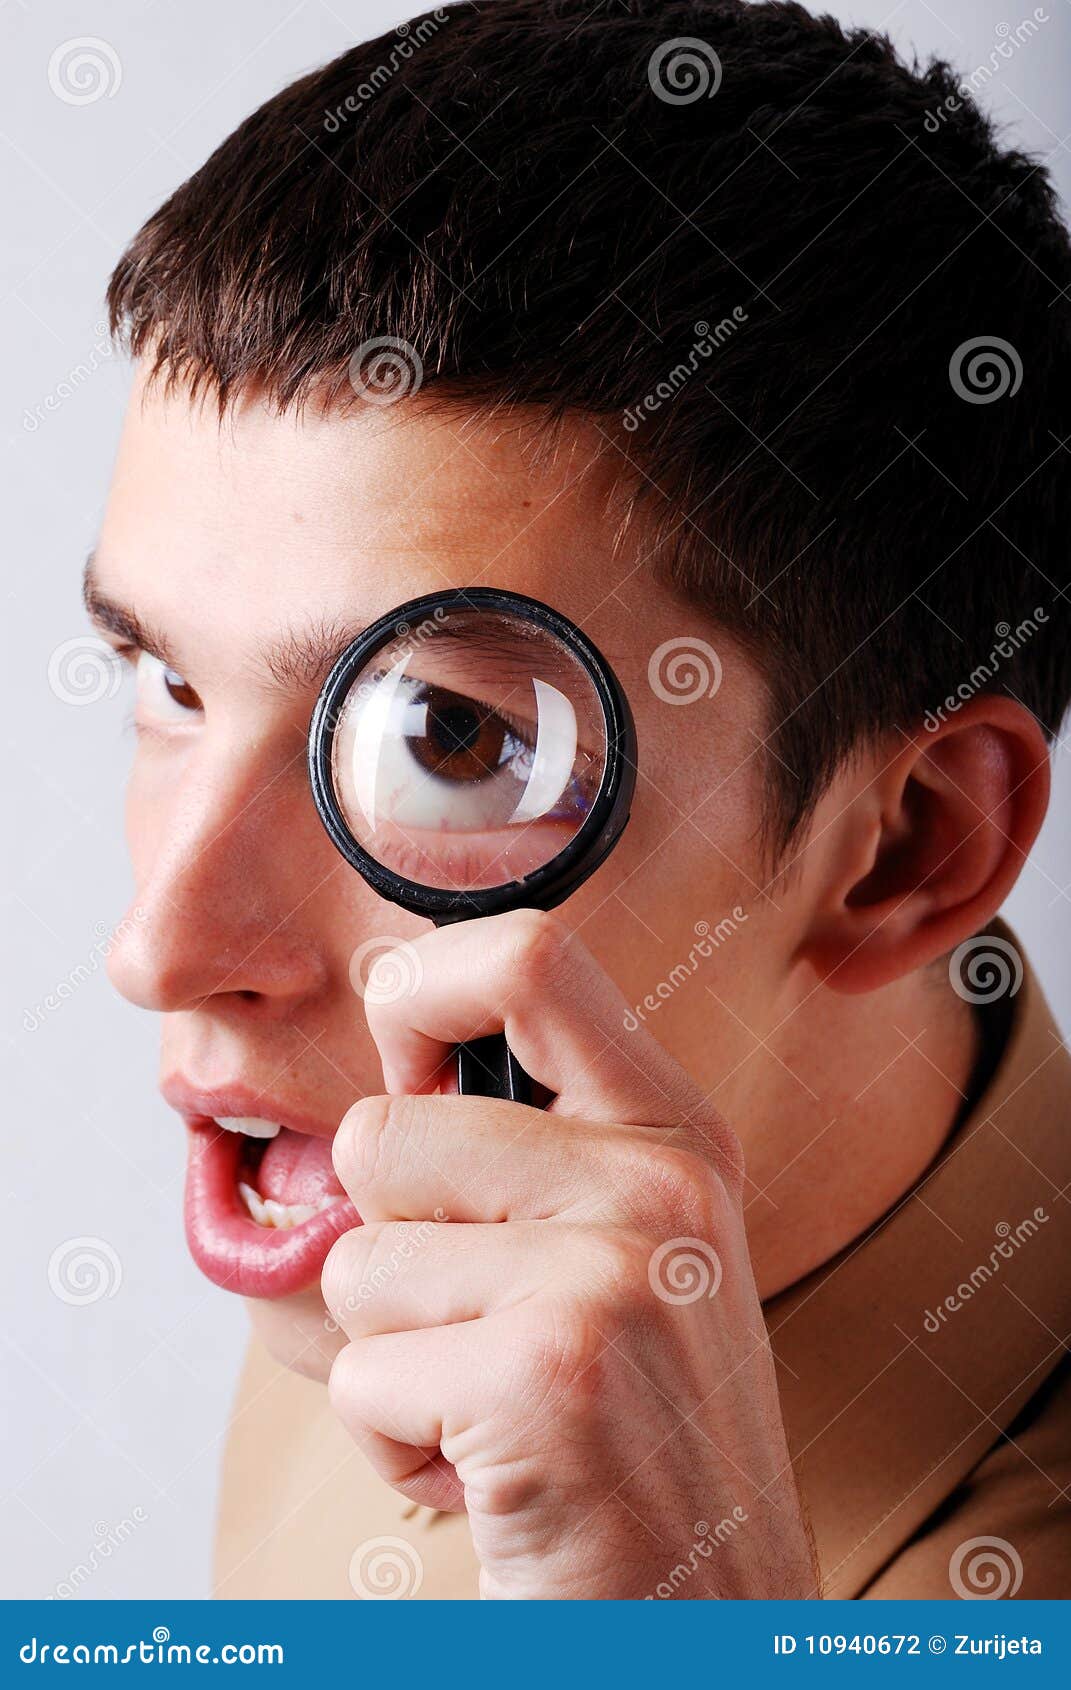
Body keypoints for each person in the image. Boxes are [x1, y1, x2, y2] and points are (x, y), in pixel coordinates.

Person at [88, 0, 1071, 1598]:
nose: (161, 945)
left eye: (448, 735)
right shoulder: (390, 1242)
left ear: (909, 847)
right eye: (174, 683)